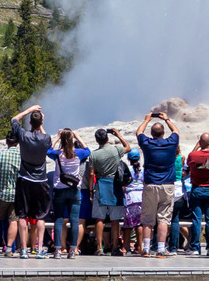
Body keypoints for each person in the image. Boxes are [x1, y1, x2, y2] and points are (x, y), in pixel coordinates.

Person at [134, 109, 181, 257]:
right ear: (163, 133)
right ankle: (161, 249)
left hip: (150, 185)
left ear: (152, 134)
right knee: (163, 218)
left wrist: (147, 119)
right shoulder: (171, 143)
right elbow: (176, 131)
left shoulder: (147, 144)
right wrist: (167, 119)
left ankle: (146, 249)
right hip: (167, 185)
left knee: (148, 218)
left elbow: (139, 133)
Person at [12, 104, 54, 258]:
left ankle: (23, 249)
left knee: (22, 215)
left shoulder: (23, 135)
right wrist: (41, 124)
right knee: (40, 216)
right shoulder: (46, 138)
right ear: (41, 123)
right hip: (41, 180)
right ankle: (39, 248)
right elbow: (47, 140)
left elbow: (14, 119)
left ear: (30, 122)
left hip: (24, 179)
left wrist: (29, 110)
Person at [86, 128, 131, 256]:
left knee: (99, 218)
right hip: (115, 186)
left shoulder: (93, 155)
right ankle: (115, 246)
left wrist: (90, 191)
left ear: (96, 140)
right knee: (115, 219)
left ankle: (100, 247)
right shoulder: (115, 150)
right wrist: (118, 135)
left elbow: (91, 174)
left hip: (101, 185)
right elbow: (128, 147)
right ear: (107, 138)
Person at [46, 128, 87, 258]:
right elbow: (88, 151)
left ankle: (57, 249)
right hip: (74, 190)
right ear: (72, 140)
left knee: (59, 220)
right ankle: (73, 250)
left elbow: (48, 151)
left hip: (60, 190)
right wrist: (77, 136)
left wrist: (57, 137)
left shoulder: (58, 154)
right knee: (74, 220)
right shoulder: (79, 153)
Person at [184, 132, 209, 256]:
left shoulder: (193, 155)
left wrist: (196, 147)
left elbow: (188, 164)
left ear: (200, 142)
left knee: (196, 219)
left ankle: (194, 247)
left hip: (197, 189)